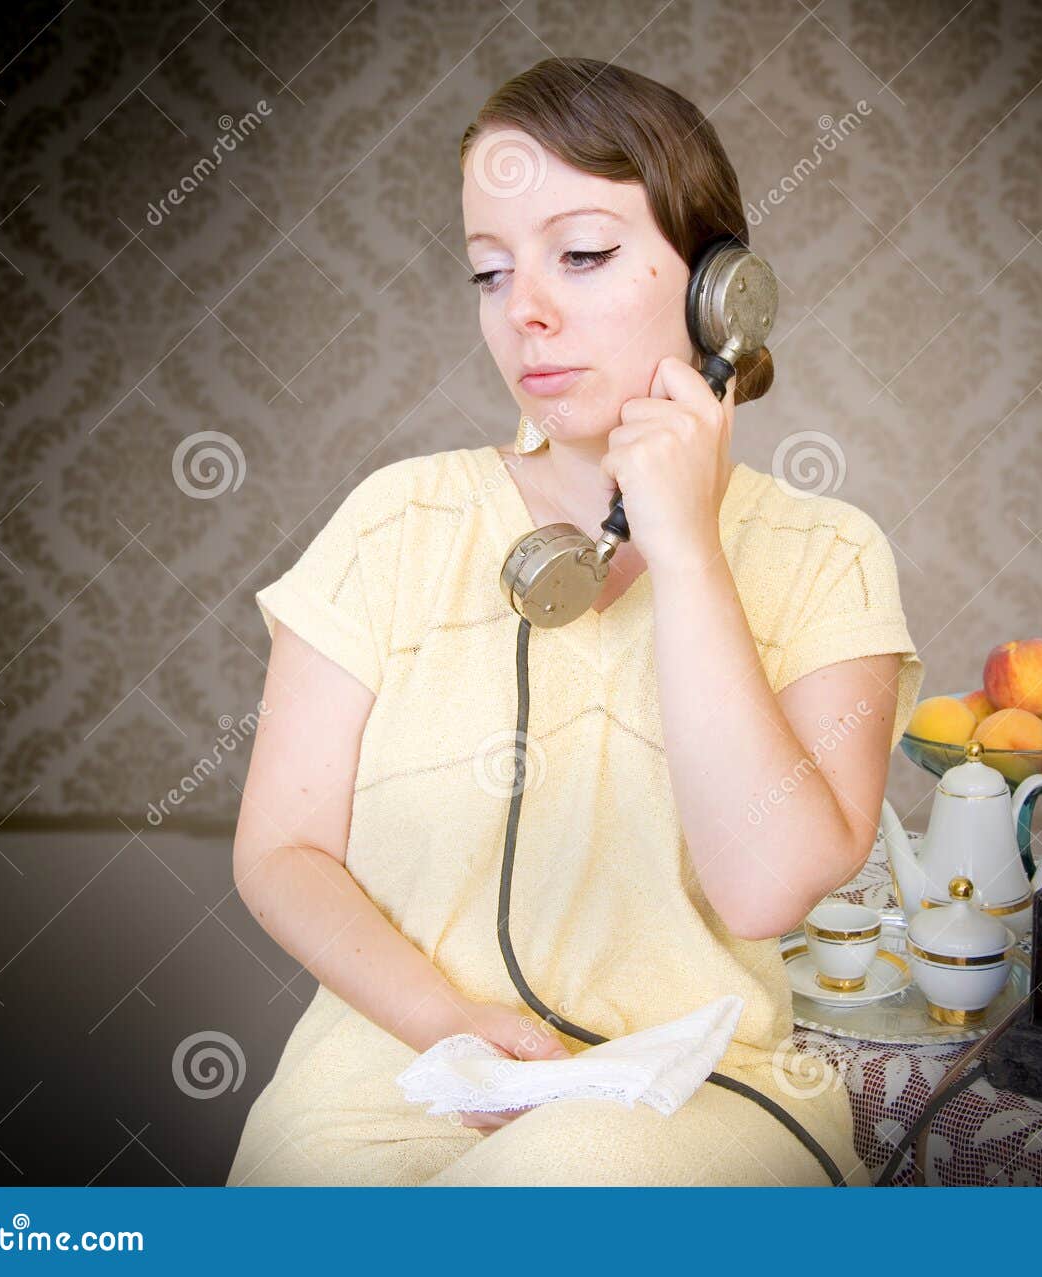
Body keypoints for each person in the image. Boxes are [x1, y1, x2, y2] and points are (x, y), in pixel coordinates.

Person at [225, 56, 924, 1187]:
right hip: (388, 1073)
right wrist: (446, 1020)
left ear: (718, 289)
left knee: (565, 1180)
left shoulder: (826, 556)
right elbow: (280, 849)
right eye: (488, 273)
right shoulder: (392, 520)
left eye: (583, 255)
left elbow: (764, 883)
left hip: (694, 1099)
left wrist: (687, 546)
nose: (526, 313)